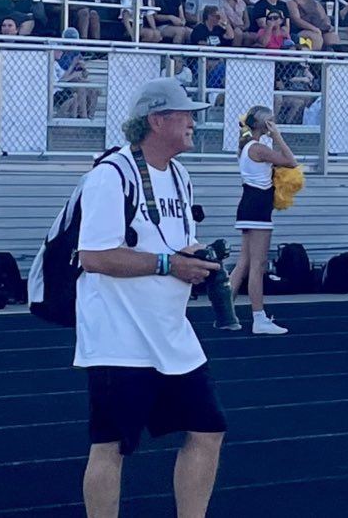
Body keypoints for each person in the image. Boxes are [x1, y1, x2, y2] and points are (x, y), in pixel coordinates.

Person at [73, 77, 225, 518]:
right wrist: (168, 265)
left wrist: (199, 261)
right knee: (111, 446)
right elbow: (94, 256)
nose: (195, 121)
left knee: (208, 430)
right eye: (186, 114)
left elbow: (176, 243)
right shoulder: (111, 175)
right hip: (119, 335)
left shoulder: (179, 174)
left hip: (169, 330)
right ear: (158, 121)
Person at [231, 106, 299, 335]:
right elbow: (291, 161)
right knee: (257, 265)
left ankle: (225, 313)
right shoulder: (258, 148)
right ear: (263, 125)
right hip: (258, 207)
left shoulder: (246, 145)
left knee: (244, 262)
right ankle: (259, 318)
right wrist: (277, 135)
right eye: (271, 120)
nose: (274, 123)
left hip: (249, 204)